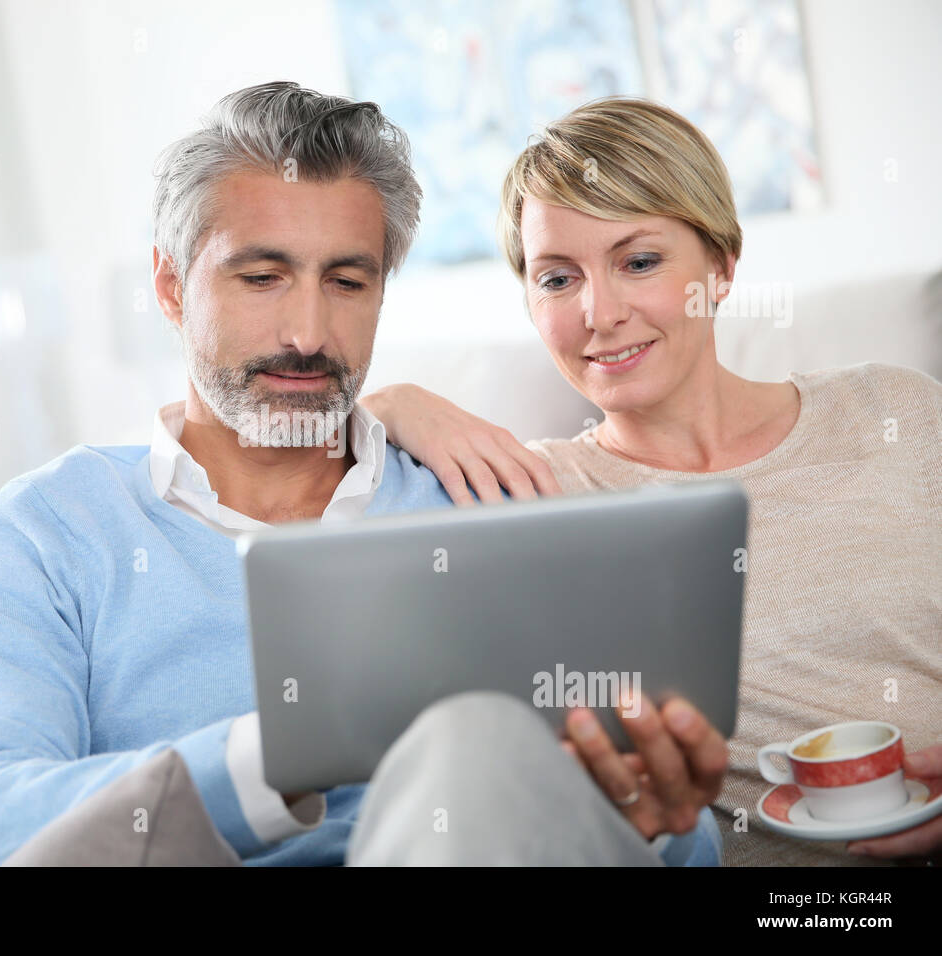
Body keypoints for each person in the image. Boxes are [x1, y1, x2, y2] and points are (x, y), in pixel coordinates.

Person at [0, 82, 729, 866]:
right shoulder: (45, 534)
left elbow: (676, 843)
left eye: (346, 281)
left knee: (474, 744)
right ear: (170, 287)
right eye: (262, 277)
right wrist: (275, 753)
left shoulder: (484, 505)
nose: (307, 331)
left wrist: (655, 822)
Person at [361, 96, 942, 866]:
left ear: (722, 267)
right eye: (558, 279)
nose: (599, 314)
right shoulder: (526, 493)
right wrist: (386, 405)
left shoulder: (895, 411)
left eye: (638, 262)